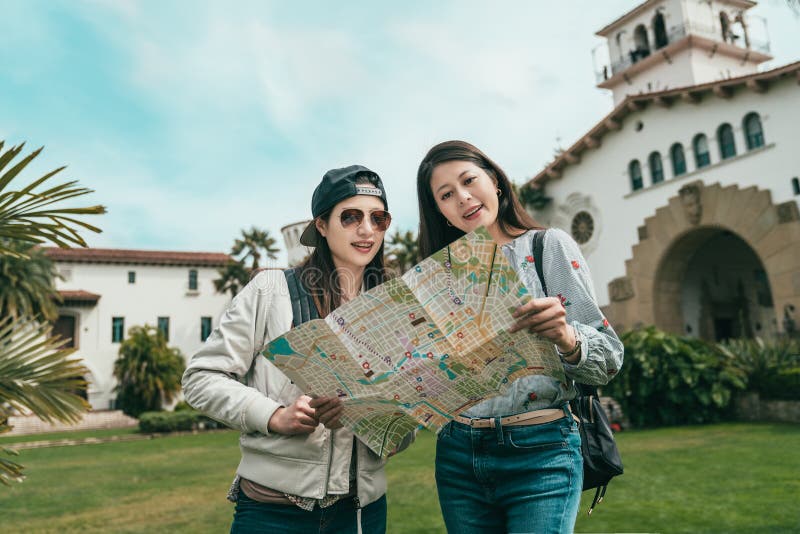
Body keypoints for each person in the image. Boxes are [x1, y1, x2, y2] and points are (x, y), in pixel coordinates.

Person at [415, 140, 624, 534]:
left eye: (468, 180)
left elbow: (610, 357)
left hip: (541, 450)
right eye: (446, 195)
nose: (462, 198)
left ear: (494, 181)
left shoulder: (548, 247)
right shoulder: (438, 279)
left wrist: (566, 336)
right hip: (458, 455)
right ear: (440, 211)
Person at [182, 165, 395, 534]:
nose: (366, 230)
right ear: (322, 226)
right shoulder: (271, 290)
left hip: (362, 513)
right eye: (350, 217)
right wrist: (274, 415)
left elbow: (401, 430)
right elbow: (201, 378)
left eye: (378, 218)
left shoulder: (392, 309)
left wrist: (380, 417)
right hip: (274, 511)